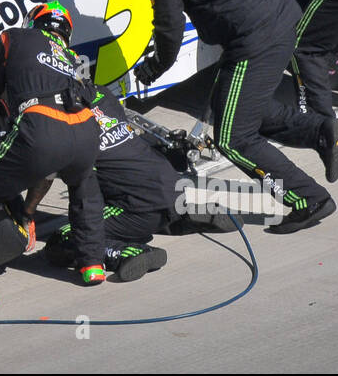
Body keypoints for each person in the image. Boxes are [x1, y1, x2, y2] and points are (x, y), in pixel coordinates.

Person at [119, 0, 338, 234]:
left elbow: (169, 30)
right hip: (281, 17)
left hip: (255, 41)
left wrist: (155, 67)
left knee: (232, 137)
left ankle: (309, 199)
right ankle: (318, 130)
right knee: (233, 108)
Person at [0, 1, 106, 312]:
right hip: (87, 131)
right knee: (84, 181)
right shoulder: (75, 58)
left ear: (33, 21)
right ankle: (92, 265)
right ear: (66, 32)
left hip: (42, 127)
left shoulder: (14, 37)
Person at [36, 90, 238, 281]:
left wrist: (26, 214)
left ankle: (128, 253)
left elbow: (44, 176)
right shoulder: (103, 95)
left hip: (139, 205)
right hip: (172, 186)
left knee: (63, 239)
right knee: (124, 193)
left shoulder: (57, 125)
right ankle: (183, 217)